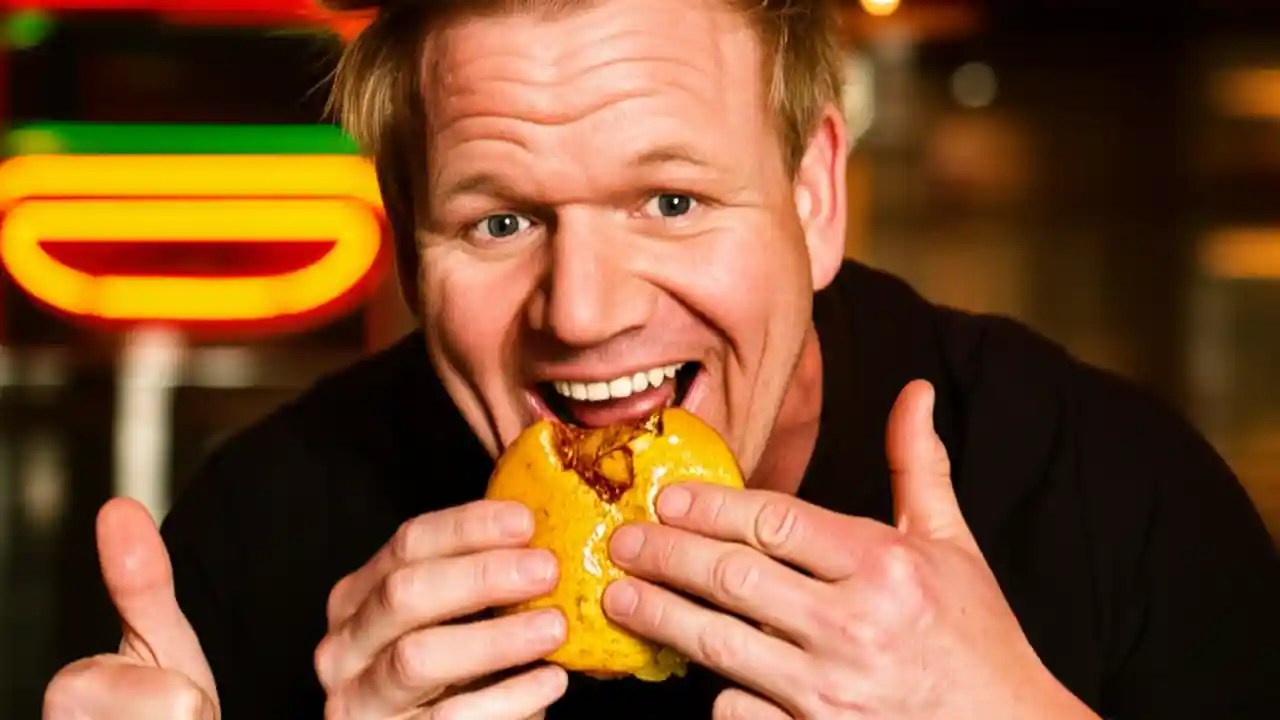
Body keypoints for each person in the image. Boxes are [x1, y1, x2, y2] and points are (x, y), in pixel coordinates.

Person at [43, 0, 1280, 718]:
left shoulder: (1113, 492)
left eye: (671, 202)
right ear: (409, 244)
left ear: (813, 197)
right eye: (499, 221)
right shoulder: (260, 539)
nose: (582, 313)